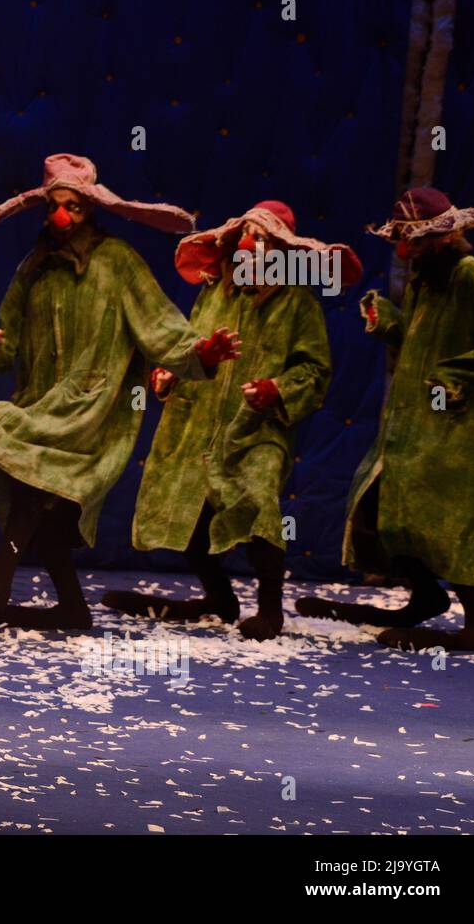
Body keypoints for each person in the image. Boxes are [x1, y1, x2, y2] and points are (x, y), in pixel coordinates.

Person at [0, 153, 240, 630]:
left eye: (74, 207)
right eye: (54, 206)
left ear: (90, 210)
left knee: (32, 483)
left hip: (93, 415)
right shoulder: (36, 268)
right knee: (37, 497)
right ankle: (70, 606)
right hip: (42, 408)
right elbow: (9, 341)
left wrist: (202, 354)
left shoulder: (118, 262)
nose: (61, 216)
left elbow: (161, 329)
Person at [103, 200, 359, 639]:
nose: (250, 247)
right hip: (198, 422)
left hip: (255, 430)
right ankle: (219, 597)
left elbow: (315, 369)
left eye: (263, 240)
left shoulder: (297, 302)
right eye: (248, 237)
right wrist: (170, 374)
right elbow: (188, 345)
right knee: (190, 515)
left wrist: (276, 390)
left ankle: (269, 609)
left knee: (259, 502)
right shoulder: (214, 291)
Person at [296, 187, 474, 651]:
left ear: (445, 237)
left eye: (416, 242)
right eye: (405, 243)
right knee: (382, 509)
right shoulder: (428, 278)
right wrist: (388, 322)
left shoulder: (470, 275)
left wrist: (453, 377)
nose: (408, 252)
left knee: (443, 517)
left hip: (458, 426)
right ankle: (425, 597)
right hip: (414, 422)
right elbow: (423, 340)